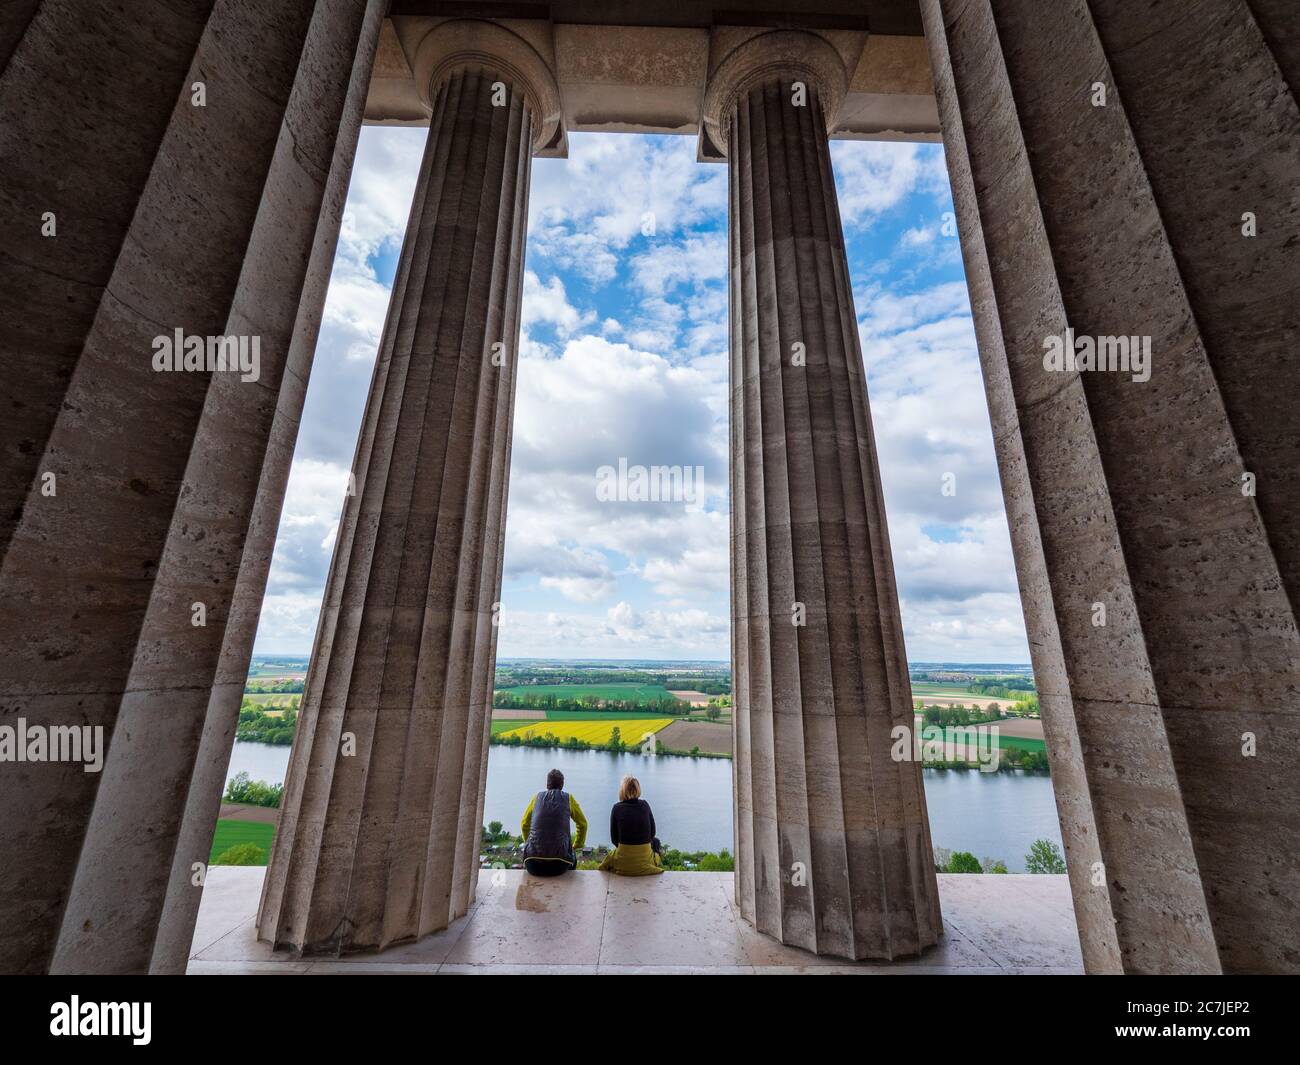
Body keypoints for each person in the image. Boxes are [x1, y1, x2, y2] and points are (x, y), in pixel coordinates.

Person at [521, 768, 587, 876]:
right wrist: (576, 845)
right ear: (562, 785)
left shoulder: (536, 798)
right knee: (572, 857)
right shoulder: (568, 798)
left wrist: (529, 843)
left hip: (532, 865)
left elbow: (524, 824)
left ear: (547, 785)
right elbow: (583, 824)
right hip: (559, 866)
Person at [598, 775, 663, 876]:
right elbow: (653, 833)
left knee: (606, 863)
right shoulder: (645, 805)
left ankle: (627, 862)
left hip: (623, 857)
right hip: (644, 856)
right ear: (638, 789)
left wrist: (627, 848)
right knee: (656, 842)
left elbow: (614, 839)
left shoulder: (616, 808)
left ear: (622, 791)